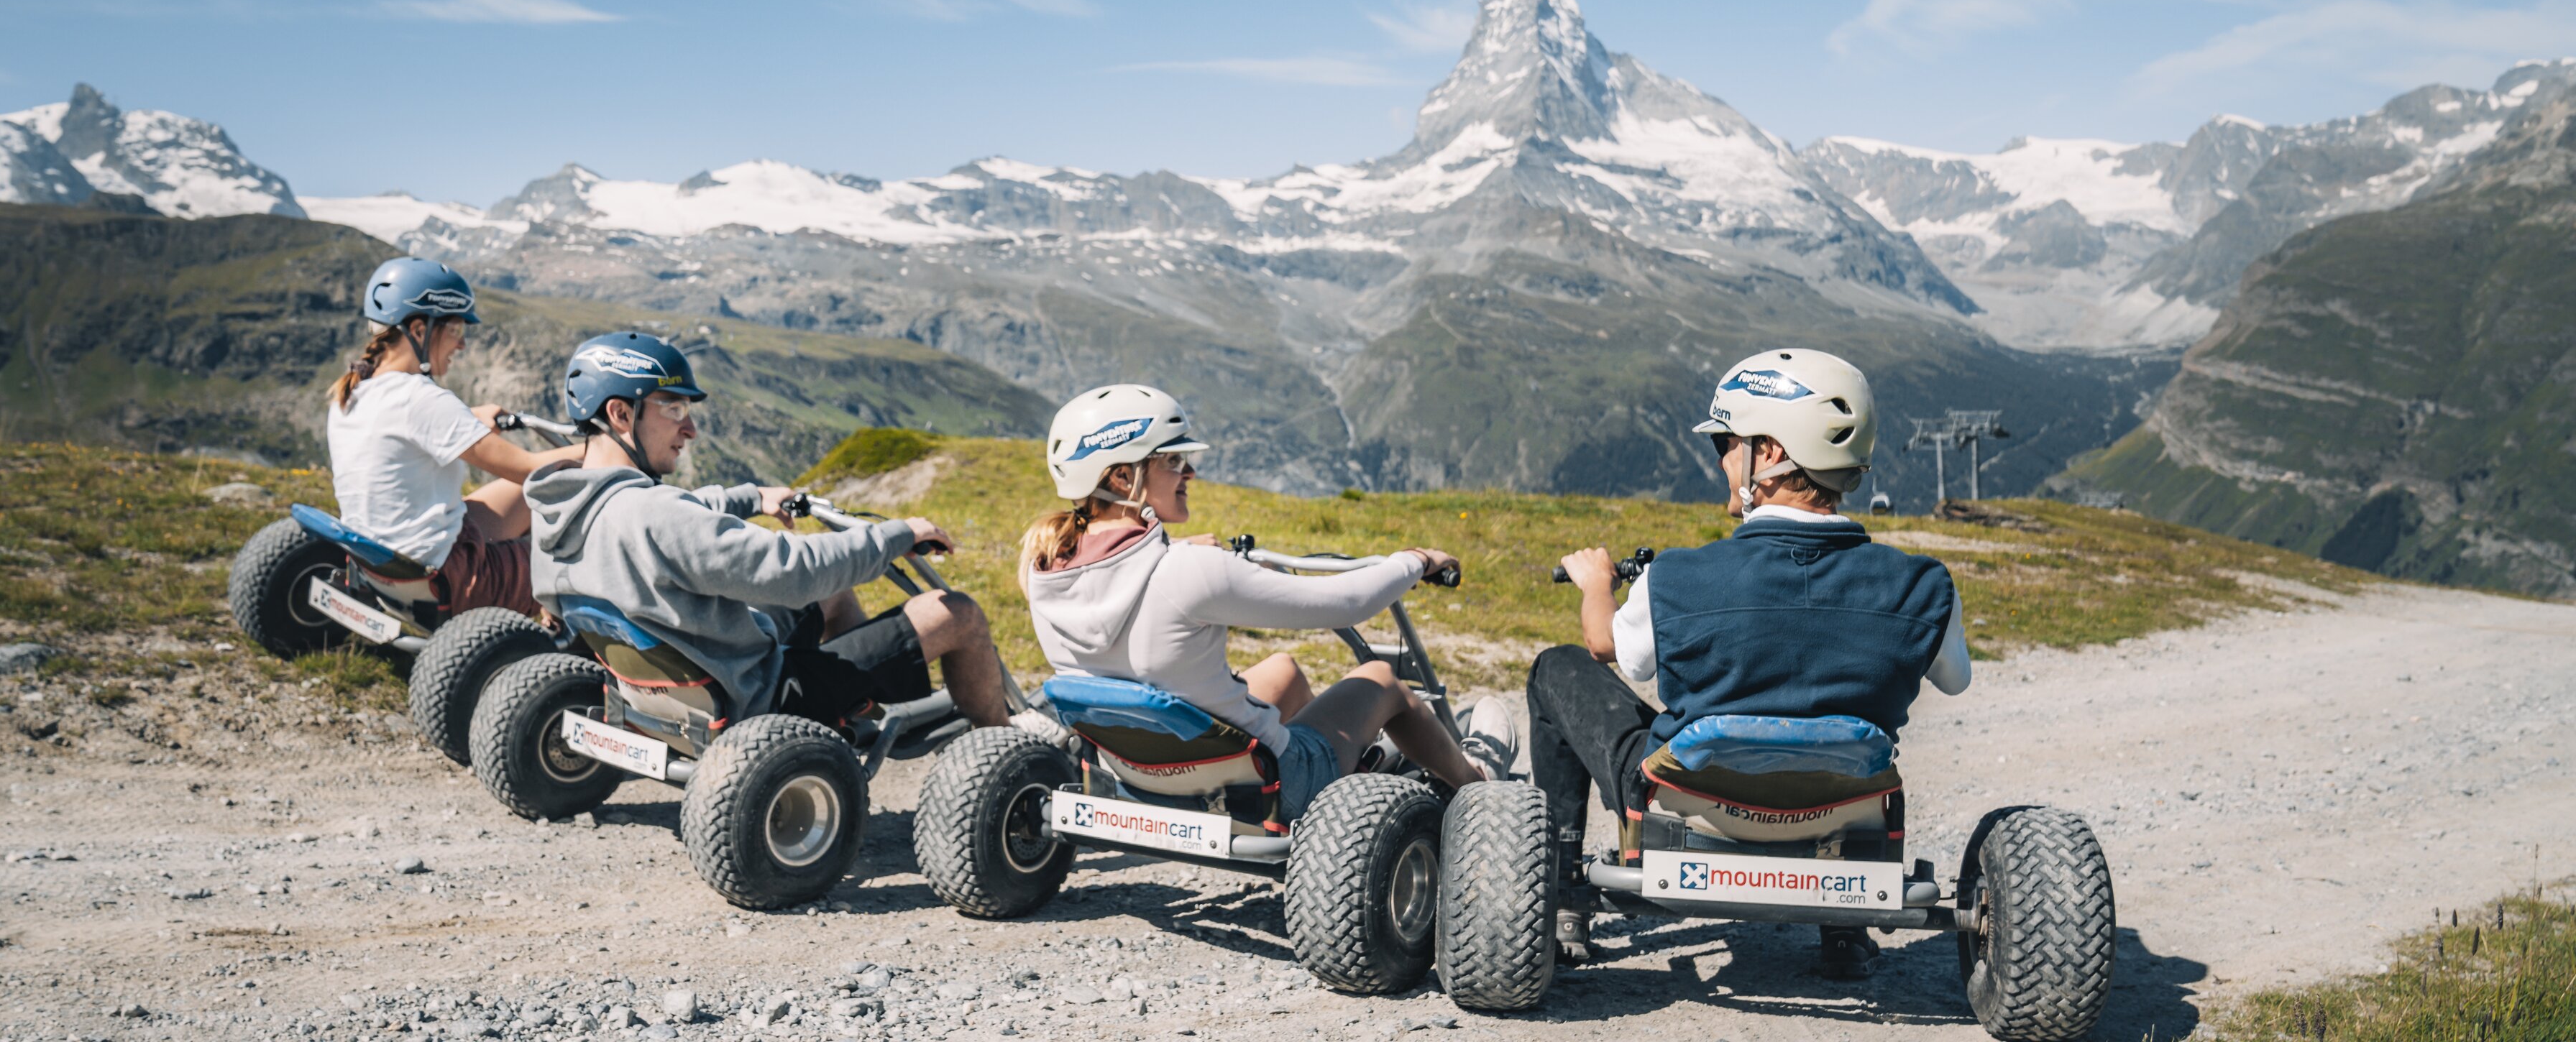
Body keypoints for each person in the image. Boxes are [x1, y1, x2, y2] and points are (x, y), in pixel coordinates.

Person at [1530, 349, 1971, 979]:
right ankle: (1841, 922)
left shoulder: (1677, 577)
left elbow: (1607, 649)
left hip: (1702, 800)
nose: (1719, 461)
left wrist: (1595, 582)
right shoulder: (1926, 587)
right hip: (1841, 804)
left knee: (1558, 669)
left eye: (1724, 444)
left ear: (1767, 453)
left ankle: (1567, 893)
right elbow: (1955, 681)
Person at [1019, 384, 1517, 830]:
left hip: (1135, 774)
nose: (1189, 471)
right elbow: (1348, 603)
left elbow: (1121, 576)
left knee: (1283, 671)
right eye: (1171, 461)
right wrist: (1414, 560)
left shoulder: (1041, 563)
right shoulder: (1188, 572)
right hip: (1257, 793)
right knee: (1383, 681)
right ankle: (1474, 783)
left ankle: (1346, 765)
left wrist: (1177, 551)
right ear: (1124, 478)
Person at [523, 331, 1012, 731]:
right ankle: (1000, 749)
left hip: (665, 689)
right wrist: (897, 536)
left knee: (836, 595)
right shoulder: (656, 515)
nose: (689, 428)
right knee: (957, 614)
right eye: (673, 408)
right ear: (620, 414)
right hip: (757, 698)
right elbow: (794, 571)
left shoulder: (558, 506)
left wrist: (750, 497)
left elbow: (675, 517)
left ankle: (870, 707)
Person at [326, 257, 581, 616]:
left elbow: (408, 429)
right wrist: (603, 447)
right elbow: (533, 470)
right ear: (419, 330)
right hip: (445, 579)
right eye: (456, 331)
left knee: (523, 497)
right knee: (578, 565)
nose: (461, 346)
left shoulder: (355, 392)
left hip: (381, 564)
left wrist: (469, 418)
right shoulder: (423, 399)